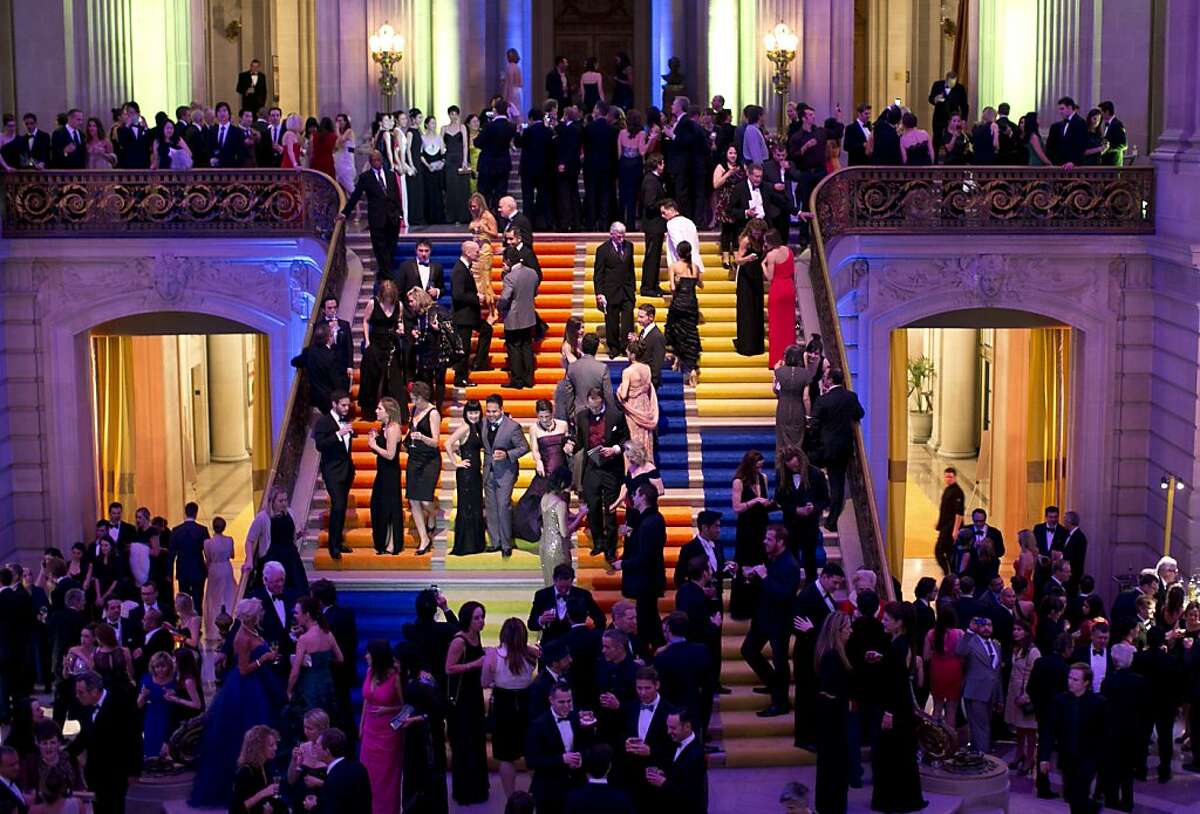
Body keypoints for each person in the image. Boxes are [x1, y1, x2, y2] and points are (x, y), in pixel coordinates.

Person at [871, 602, 927, 813]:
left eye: (887, 619)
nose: (883, 621)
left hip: (895, 709)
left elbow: (897, 683)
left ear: (899, 623)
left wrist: (888, 712)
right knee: (900, 755)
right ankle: (906, 799)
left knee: (892, 757)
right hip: (900, 708)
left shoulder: (899, 646)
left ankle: (895, 801)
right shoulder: (900, 643)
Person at [741, 525, 802, 717]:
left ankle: (781, 703)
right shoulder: (773, 557)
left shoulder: (791, 565)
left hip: (779, 622)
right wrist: (753, 576)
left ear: (781, 542)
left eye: (769, 539)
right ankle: (772, 683)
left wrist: (764, 576)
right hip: (763, 617)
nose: (764, 542)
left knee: (780, 662)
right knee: (748, 651)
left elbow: (784, 595)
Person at [567, 388, 630, 561]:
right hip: (592, 468)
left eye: (596, 407)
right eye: (590, 407)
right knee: (593, 508)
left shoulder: (616, 415)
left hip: (611, 469)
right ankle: (598, 543)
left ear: (602, 401)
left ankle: (610, 549)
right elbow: (579, 440)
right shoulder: (581, 416)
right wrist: (570, 444)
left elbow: (626, 439)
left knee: (610, 510)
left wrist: (615, 449)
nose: (593, 409)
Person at [68, 670, 141, 814]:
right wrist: (66, 753)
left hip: (116, 773)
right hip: (95, 773)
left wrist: (134, 771)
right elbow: (85, 735)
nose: (77, 696)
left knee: (114, 809)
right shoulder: (85, 706)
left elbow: (134, 738)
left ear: (95, 691)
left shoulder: (121, 704)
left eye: (81, 692)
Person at [482, 618, 538, 798]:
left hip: (503, 705)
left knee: (506, 757)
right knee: (531, 753)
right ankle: (537, 794)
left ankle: (510, 798)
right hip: (525, 703)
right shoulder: (531, 655)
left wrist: (494, 680)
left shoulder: (493, 655)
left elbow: (484, 682)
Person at [1041, 663, 1107, 814]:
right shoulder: (1060, 701)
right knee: (1071, 796)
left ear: (1086, 683)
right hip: (1067, 757)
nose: (1070, 682)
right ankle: (1093, 808)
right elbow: (1049, 730)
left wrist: (1103, 759)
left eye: (1075, 679)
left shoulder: (1099, 703)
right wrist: (1044, 757)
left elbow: (1105, 733)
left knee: (1079, 794)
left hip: (1088, 758)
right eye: (1069, 678)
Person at [613, 483, 666, 649]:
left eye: (635, 494)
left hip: (646, 581)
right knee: (649, 618)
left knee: (647, 620)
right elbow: (637, 541)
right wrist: (628, 533)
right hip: (647, 580)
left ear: (643, 497)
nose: (633, 497)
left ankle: (648, 653)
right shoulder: (646, 519)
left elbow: (645, 556)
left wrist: (623, 564)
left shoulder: (649, 523)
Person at [445, 601, 488, 805]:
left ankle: (479, 788)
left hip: (474, 695)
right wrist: (474, 664)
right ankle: (464, 791)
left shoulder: (476, 636)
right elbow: (449, 668)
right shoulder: (459, 641)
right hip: (461, 700)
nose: (481, 621)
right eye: (477, 618)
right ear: (468, 620)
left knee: (477, 742)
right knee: (464, 744)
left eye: (482, 617)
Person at [338, 150, 403, 282]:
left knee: (391, 246)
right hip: (377, 219)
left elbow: (396, 195)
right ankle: (387, 276)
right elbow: (355, 196)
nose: (377, 163)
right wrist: (345, 213)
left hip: (392, 218)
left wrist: (399, 213)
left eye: (379, 160)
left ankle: (384, 274)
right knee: (380, 248)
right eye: (374, 160)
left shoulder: (391, 175)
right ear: (370, 162)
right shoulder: (365, 177)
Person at [811, 368, 863, 533]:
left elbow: (814, 425)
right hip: (844, 447)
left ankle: (821, 511)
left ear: (831, 380)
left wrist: (815, 441)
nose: (824, 380)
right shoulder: (851, 397)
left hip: (825, 448)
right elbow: (859, 414)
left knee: (817, 476)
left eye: (826, 377)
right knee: (838, 483)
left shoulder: (822, 400)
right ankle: (832, 520)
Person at [357, 642, 406, 814]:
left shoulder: (396, 678)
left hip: (389, 736)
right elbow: (367, 700)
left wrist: (388, 709)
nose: (365, 657)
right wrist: (362, 724)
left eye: (368, 654)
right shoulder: (370, 672)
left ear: (377, 656)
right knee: (368, 776)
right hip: (370, 732)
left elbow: (406, 707)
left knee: (385, 779)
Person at [814, 612, 853, 814]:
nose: (851, 631)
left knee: (832, 765)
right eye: (848, 627)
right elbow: (829, 690)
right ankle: (832, 806)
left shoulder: (834, 653)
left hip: (833, 716)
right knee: (834, 765)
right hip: (833, 719)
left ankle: (830, 804)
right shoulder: (832, 656)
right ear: (838, 631)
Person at [482, 395, 531, 557]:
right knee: (491, 507)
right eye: (488, 411)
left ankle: (506, 544)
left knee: (503, 506)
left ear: (501, 410)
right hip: (488, 471)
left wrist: (507, 454)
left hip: (506, 472)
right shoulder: (482, 423)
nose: (490, 414)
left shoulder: (512, 427)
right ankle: (495, 542)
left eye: (494, 411)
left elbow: (524, 447)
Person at [774, 446, 830, 583]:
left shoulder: (816, 474)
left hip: (809, 525)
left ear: (801, 460)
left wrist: (814, 507)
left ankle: (810, 590)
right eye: (790, 467)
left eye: (796, 465)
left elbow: (825, 500)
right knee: (791, 560)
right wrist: (795, 510)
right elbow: (779, 500)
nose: (794, 469)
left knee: (809, 559)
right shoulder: (781, 475)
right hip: (791, 525)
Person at [313, 391, 355, 561]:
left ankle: (338, 540)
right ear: (334, 404)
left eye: (348, 405)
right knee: (337, 506)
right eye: (343, 405)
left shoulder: (346, 420)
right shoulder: (323, 422)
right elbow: (320, 445)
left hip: (346, 470)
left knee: (342, 507)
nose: (346, 408)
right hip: (331, 471)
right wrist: (339, 434)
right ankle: (333, 546)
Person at [242, 487, 307, 595]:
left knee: (297, 590)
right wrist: (249, 560)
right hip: (273, 557)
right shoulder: (262, 517)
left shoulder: (290, 513)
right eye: (280, 501)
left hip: (292, 558)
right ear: (272, 501)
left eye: (285, 500)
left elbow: (289, 536)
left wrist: (299, 534)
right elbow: (250, 540)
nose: (284, 503)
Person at [645, 708, 707, 813]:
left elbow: (691, 794)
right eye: (668, 727)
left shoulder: (697, 755)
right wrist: (662, 772)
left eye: (673, 728)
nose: (668, 732)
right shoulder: (674, 741)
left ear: (687, 727)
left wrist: (663, 782)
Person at [404, 382, 441, 556]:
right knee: (413, 499)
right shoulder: (414, 411)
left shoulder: (433, 413)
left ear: (422, 398)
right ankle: (424, 538)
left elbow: (435, 442)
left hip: (429, 460)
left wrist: (421, 437)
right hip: (414, 459)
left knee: (425, 500)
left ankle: (433, 514)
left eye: (414, 399)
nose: (412, 402)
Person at [957, 614, 1003, 753]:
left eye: (989, 625)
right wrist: (970, 631)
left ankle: (978, 754)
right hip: (975, 691)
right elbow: (960, 651)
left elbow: (997, 672)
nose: (987, 628)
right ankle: (983, 755)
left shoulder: (996, 645)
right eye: (983, 625)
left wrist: (1000, 698)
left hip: (992, 692)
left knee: (983, 726)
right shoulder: (971, 642)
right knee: (980, 726)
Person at [446, 399, 487, 556]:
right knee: (467, 507)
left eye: (476, 412)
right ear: (465, 413)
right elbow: (448, 443)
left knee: (475, 506)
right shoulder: (464, 427)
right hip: (466, 475)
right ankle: (465, 545)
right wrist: (456, 462)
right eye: (470, 412)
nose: (474, 415)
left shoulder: (476, 427)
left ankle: (475, 544)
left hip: (475, 474)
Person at [364, 397, 404, 556]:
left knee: (391, 508)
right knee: (379, 506)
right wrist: (373, 441)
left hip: (390, 473)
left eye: (379, 409)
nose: (376, 411)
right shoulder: (384, 426)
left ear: (389, 412)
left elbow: (390, 455)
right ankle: (384, 540)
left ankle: (394, 543)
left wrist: (374, 445)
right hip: (382, 472)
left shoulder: (393, 428)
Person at [450, 240, 491, 387]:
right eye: (476, 251)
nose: (479, 253)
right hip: (463, 317)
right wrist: (476, 298)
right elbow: (457, 295)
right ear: (467, 252)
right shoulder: (459, 270)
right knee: (463, 348)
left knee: (487, 329)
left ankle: (477, 363)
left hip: (469, 316)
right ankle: (460, 378)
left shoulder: (464, 267)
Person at [594, 221, 637, 358]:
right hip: (610, 291)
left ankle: (626, 347)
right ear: (611, 234)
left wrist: (633, 287)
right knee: (611, 321)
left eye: (623, 235)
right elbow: (598, 273)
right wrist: (599, 293)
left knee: (628, 321)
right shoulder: (602, 250)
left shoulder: (629, 246)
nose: (622, 238)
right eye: (619, 236)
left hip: (627, 291)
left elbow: (631, 268)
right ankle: (613, 347)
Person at [663, 238, 702, 385]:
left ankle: (678, 361)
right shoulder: (695, 267)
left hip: (679, 304)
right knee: (690, 335)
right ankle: (691, 368)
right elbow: (700, 285)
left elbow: (672, 288)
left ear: (678, 252)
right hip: (691, 305)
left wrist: (678, 282)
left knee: (676, 332)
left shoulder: (674, 266)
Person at [497, 258, 540, 389]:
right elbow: (534, 292)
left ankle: (517, 380)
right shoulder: (532, 273)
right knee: (527, 346)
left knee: (514, 348)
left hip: (513, 317)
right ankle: (529, 379)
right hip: (528, 315)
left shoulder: (510, 277)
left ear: (509, 261)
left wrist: (499, 307)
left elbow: (505, 297)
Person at [539, 468, 585, 585]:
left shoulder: (545, 497)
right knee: (562, 584)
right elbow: (564, 532)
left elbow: (551, 520)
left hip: (545, 545)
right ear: (563, 483)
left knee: (549, 582)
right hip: (558, 548)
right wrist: (581, 515)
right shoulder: (560, 504)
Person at [732, 218, 768, 357]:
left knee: (757, 308)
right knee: (747, 309)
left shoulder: (762, 241)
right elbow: (738, 260)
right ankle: (746, 345)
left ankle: (757, 345)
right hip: (746, 276)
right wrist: (748, 258)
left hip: (756, 275)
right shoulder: (746, 240)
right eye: (755, 231)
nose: (757, 234)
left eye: (760, 231)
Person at [617, 338, 660, 454]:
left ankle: (635, 469)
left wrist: (619, 389)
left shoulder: (628, 371)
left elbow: (624, 394)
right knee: (646, 438)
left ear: (633, 355)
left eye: (628, 352)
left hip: (633, 410)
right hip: (645, 408)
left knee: (634, 439)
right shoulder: (647, 369)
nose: (626, 354)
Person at [475, 99, 517, 212]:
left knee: (484, 194)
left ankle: (485, 219)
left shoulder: (489, 126)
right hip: (503, 164)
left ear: (495, 110)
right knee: (501, 194)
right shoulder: (511, 126)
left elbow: (477, 142)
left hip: (487, 164)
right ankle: (500, 221)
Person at [763, 229, 797, 367]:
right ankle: (791, 359)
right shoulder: (789, 250)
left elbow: (770, 277)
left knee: (776, 326)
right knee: (789, 325)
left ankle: (776, 359)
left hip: (778, 289)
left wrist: (762, 266)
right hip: (789, 287)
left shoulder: (772, 255)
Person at [137, 651, 176, 760]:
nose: (160, 669)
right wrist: (143, 695)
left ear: (169, 666)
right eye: (157, 666)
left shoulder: (175, 679)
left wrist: (174, 696)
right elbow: (138, 705)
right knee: (151, 751)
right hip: (152, 716)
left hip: (169, 716)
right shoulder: (147, 679)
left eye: (163, 666)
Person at [933, 467, 966, 575]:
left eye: (950, 477)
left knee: (939, 551)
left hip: (951, 528)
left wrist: (955, 530)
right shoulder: (948, 490)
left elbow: (959, 513)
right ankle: (951, 572)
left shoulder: (957, 492)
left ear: (955, 477)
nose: (948, 479)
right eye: (946, 476)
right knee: (948, 551)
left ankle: (948, 572)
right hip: (945, 526)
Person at [929, 71, 968, 140]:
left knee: (953, 137)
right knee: (937, 137)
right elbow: (930, 99)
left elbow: (964, 105)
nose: (952, 85)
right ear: (946, 80)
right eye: (950, 83)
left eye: (954, 83)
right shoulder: (937, 85)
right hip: (939, 117)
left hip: (953, 118)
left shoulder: (960, 88)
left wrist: (964, 119)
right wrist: (935, 99)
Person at [333, 114, 356, 192]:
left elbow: (341, 139)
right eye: (337, 121)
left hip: (347, 158)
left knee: (348, 181)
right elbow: (336, 145)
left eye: (340, 121)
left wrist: (337, 129)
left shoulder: (349, 131)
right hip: (340, 157)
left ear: (345, 122)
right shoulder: (340, 133)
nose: (338, 123)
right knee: (340, 180)